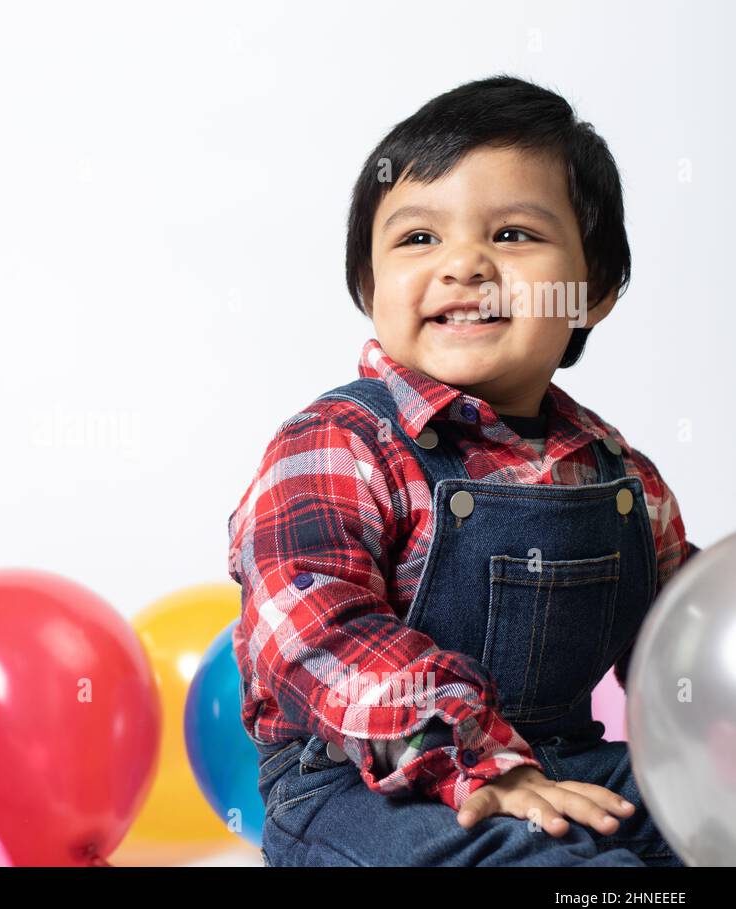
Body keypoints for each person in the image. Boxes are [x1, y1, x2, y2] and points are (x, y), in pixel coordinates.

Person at [228, 75, 699, 866]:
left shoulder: (623, 478)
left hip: (563, 767)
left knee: (705, 814)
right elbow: (311, 637)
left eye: (513, 234)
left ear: (596, 291)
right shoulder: (336, 444)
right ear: (369, 288)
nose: (464, 265)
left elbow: (675, 654)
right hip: (368, 790)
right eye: (419, 239)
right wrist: (479, 756)